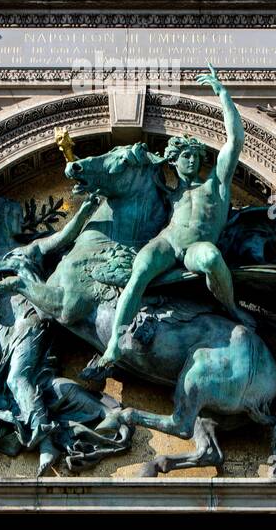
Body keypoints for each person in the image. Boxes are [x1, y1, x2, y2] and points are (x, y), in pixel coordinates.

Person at [82, 66, 255, 381]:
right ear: (174, 160)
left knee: (212, 258)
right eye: (184, 155)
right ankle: (112, 349)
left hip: (194, 247)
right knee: (139, 272)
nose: (190, 160)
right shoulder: (169, 193)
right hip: (167, 243)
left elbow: (235, 140)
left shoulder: (215, 185)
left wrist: (223, 95)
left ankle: (231, 308)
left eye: (194, 155)